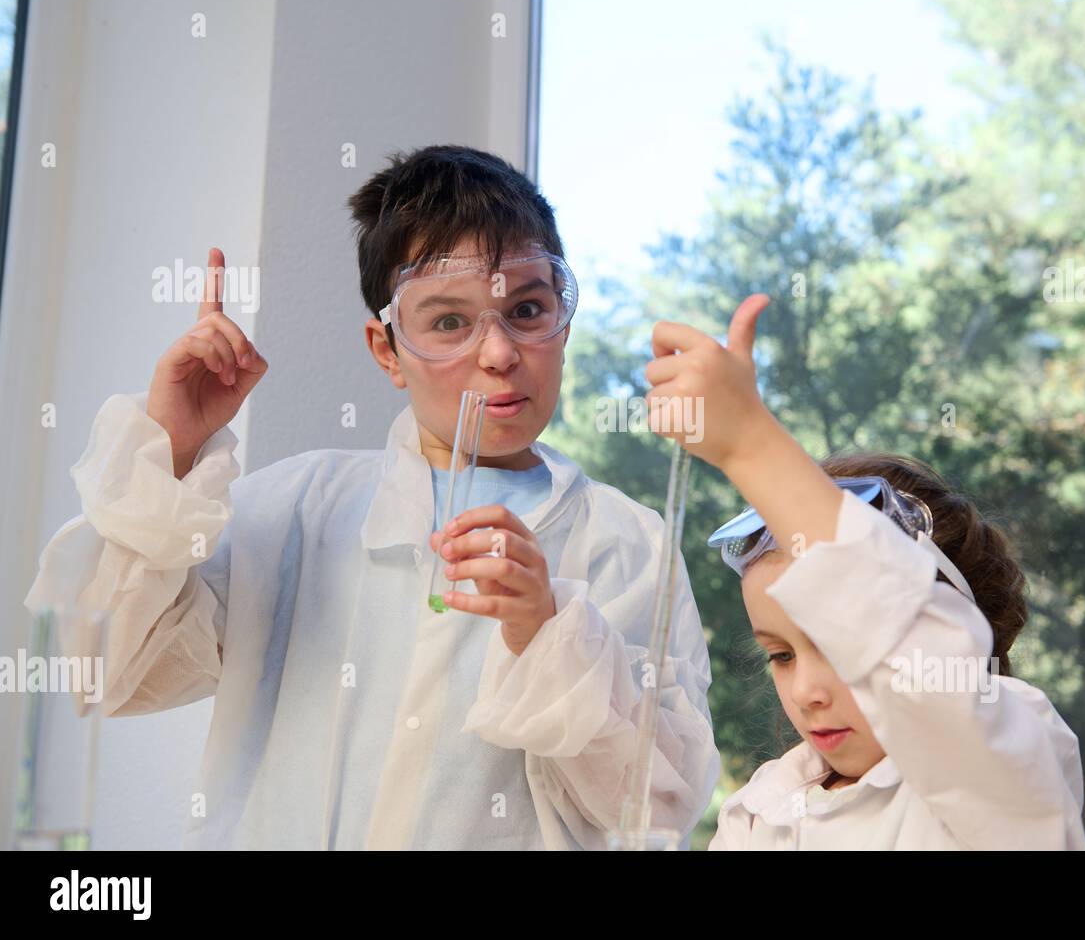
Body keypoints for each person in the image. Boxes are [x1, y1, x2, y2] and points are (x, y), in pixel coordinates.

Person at [24, 145, 719, 849]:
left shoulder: (625, 543)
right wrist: (168, 451)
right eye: (448, 321)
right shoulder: (292, 512)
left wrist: (547, 632)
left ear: (563, 325)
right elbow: (101, 674)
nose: (500, 353)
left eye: (528, 308)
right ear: (387, 350)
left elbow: (657, 805)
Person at [643, 293, 1085, 849]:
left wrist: (749, 446)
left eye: (839, 642)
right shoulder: (758, 814)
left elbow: (921, 670)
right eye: (781, 656)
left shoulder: (1003, 761)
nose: (807, 692)